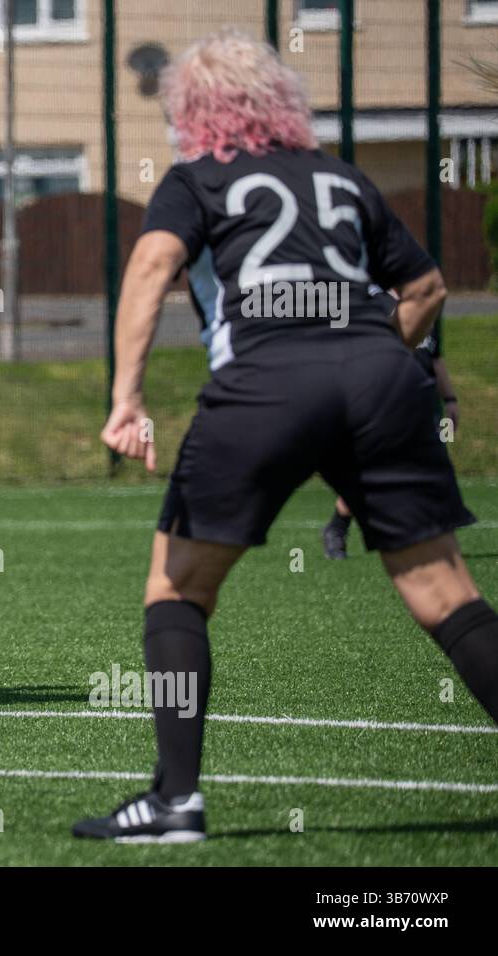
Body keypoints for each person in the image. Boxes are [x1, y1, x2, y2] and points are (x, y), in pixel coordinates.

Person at [73, 30, 494, 842]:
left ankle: (174, 803)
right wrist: (366, 353)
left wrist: (126, 397)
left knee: (179, 589)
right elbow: (429, 286)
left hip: (264, 384)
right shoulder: (343, 176)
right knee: (447, 595)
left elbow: (152, 268)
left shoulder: (198, 180)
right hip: (382, 378)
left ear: (193, 113)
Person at [323, 316, 460, 559]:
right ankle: (338, 527)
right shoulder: (376, 303)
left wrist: (450, 399)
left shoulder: (430, 305)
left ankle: (427, 538)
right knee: (374, 471)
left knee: (428, 470)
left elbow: (435, 356)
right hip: (385, 399)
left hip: (424, 401)